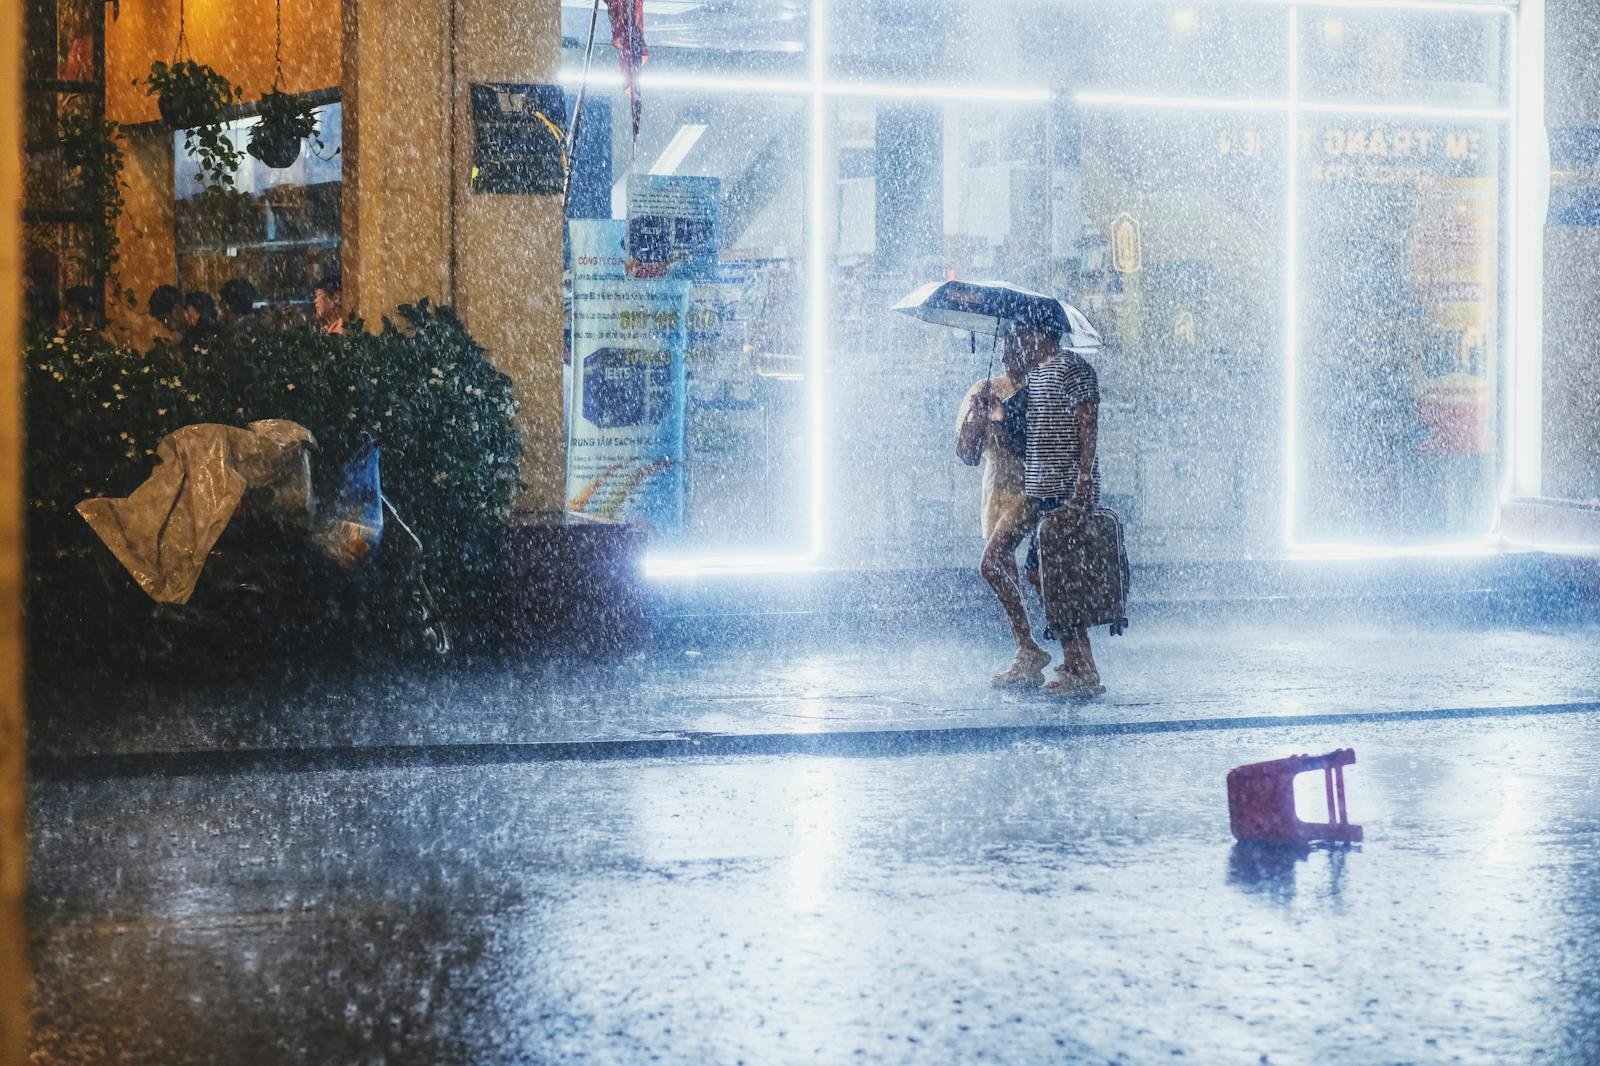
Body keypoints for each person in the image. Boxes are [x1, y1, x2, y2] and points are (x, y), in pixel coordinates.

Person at [976, 316, 1105, 697]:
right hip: (1039, 493)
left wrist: (1084, 479)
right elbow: (1028, 433)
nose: (1019, 343)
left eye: (1023, 335)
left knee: (1049, 574)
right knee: (1012, 564)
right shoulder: (1036, 377)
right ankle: (1073, 662)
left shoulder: (1073, 367)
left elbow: (1088, 421)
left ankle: (1081, 667)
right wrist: (999, 415)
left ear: (1040, 334)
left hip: (1066, 492)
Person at [956, 340, 1044, 685]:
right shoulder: (984, 389)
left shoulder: (1039, 390)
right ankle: (1025, 650)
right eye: (1006, 350)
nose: (1008, 357)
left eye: (1017, 349)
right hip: (996, 489)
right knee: (1005, 569)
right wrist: (976, 418)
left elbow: (1034, 443)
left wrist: (1001, 417)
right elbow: (967, 455)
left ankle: (1034, 646)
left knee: (991, 562)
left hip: (1029, 486)